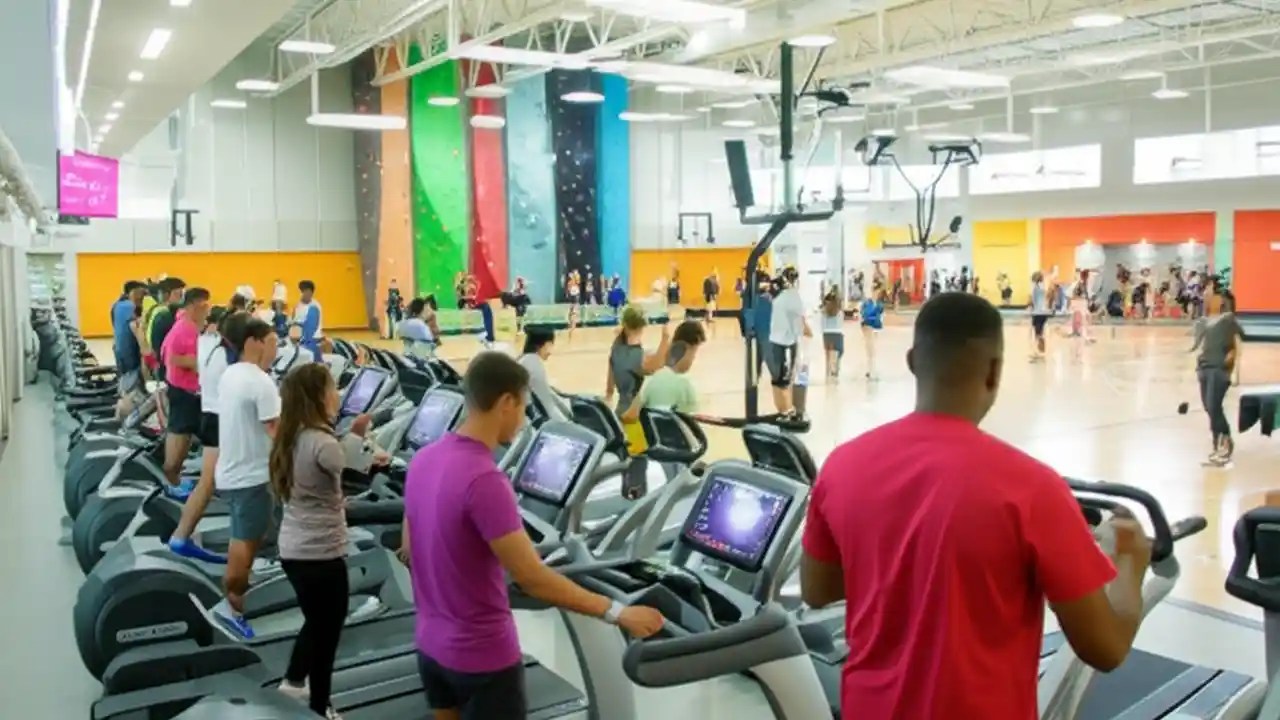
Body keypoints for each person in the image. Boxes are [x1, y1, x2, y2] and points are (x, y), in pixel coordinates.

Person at [799, 292, 1149, 719]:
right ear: (996, 370)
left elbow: (818, 590)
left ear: (912, 362)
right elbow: (1106, 649)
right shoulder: (1033, 489)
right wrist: (1131, 563)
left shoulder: (842, 465)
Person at [402, 352, 664, 719]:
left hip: (430, 648)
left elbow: (410, 548)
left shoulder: (424, 459)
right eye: (523, 406)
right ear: (507, 402)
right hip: (483, 660)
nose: (524, 417)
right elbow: (532, 579)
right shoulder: (486, 481)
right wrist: (618, 612)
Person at [272, 364, 363, 719]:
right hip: (321, 556)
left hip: (293, 550)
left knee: (316, 622)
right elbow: (353, 471)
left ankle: (294, 681)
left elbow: (321, 487)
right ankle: (320, 705)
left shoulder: (290, 436)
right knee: (328, 632)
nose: (337, 394)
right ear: (318, 397)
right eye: (332, 388)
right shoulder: (324, 443)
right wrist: (357, 435)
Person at [214, 314, 281, 637]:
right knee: (244, 544)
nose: (275, 350)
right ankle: (232, 605)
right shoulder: (259, 381)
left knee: (245, 538)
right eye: (272, 343)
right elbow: (276, 431)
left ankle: (239, 590)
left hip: (234, 472)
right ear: (253, 343)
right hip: (250, 477)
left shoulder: (232, 374)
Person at [169, 306, 235, 563]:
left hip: (209, 414)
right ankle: (181, 536)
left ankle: (181, 536)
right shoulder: (227, 359)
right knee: (209, 482)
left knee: (208, 482)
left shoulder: (207, 344)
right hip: (219, 419)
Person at [160, 288, 212, 490]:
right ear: (193, 306)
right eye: (204, 306)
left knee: (186, 436)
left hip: (187, 390)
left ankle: (174, 478)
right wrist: (203, 363)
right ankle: (169, 481)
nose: (207, 310)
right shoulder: (184, 328)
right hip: (183, 391)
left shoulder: (187, 325)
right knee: (179, 436)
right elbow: (171, 357)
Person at [606, 306, 671, 454]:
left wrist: (609, 393)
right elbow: (656, 365)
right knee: (637, 462)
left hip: (619, 410)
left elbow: (610, 373)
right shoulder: (636, 356)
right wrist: (665, 339)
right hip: (634, 418)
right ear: (642, 326)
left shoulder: (617, 346)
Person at [1190, 290, 1244, 466]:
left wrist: (1235, 369)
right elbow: (1198, 344)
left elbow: (1238, 343)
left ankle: (1225, 444)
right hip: (1204, 368)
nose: (1207, 298)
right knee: (1209, 408)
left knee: (1214, 406)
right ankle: (1217, 445)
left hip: (1219, 369)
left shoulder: (1229, 320)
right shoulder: (1204, 321)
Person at [768, 267, 811, 417]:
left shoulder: (778, 296)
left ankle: (784, 410)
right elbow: (800, 321)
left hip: (776, 340)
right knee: (789, 378)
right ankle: (789, 411)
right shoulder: (792, 296)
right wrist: (807, 331)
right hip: (787, 342)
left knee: (779, 379)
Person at [622, 339, 699, 421]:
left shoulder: (650, 381)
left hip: (655, 431)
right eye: (691, 358)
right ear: (682, 359)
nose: (692, 361)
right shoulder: (686, 384)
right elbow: (694, 421)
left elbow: (630, 415)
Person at [518, 327, 570, 421]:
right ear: (540, 345)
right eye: (550, 345)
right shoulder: (533, 365)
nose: (551, 351)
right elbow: (547, 405)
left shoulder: (526, 359)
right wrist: (567, 424)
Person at [111, 281, 148, 407]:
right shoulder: (130, 307)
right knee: (132, 389)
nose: (141, 297)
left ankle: (122, 402)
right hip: (129, 353)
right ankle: (126, 413)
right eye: (139, 293)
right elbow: (139, 327)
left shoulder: (116, 305)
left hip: (119, 350)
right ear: (130, 292)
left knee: (124, 381)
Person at [146, 277, 187, 379]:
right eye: (179, 294)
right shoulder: (165, 315)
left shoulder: (155, 309)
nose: (182, 298)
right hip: (164, 365)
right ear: (166, 295)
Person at [293, 280, 323, 358]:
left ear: (309, 292)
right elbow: (294, 322)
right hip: (301, 340)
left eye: (303, 291)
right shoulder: (298, 306)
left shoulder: (314, 307)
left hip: (312, 340)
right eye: (300, 291)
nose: (301, 294)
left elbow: (315, 326)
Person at [820, 286, 844, 381]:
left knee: (828, 354)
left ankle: (827, 372)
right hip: (837, 333)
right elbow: (841, 324)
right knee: (837, 353)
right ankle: (835, 371)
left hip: (826, 334)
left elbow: (822, 324)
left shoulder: (824, 311)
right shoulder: (839, 312)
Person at [1030, 271, 1051, 362]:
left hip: (1038, 313)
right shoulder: (1043, 287)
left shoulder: (1035, 288)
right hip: (1043, 312)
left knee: (1037, 333)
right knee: (1040, 332)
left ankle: (1038, 352)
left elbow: (1034, 301)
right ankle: (1040, 351)